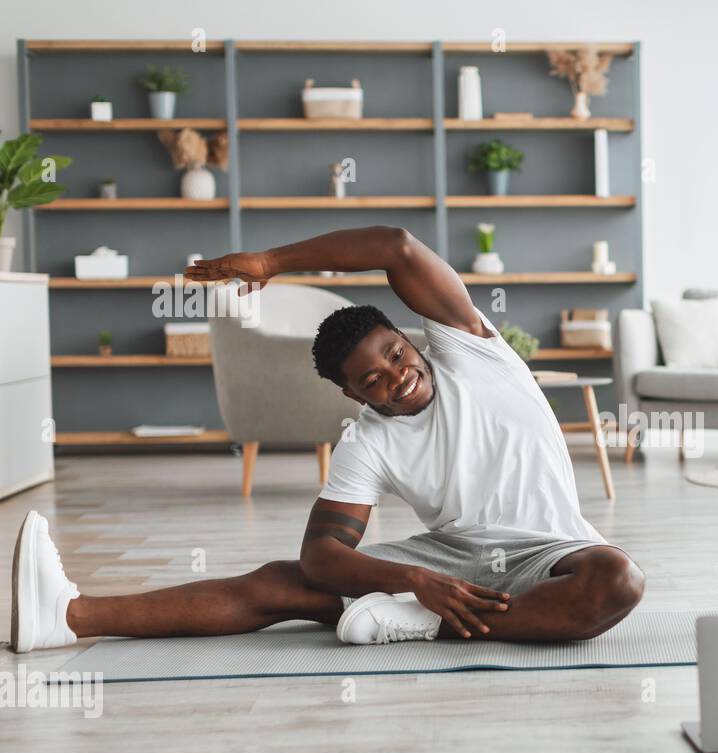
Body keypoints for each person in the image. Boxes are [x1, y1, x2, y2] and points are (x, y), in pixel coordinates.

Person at [10, 226, 644, 654]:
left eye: (397, 354)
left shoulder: (470, 350)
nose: (399, 376)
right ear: (355, 395)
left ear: (410, 336)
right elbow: (321, 555)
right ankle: (65, 617)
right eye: (374, 379)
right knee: (279, 582)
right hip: (451, 558)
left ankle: (428, 629)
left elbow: (395, 246)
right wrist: (413, 577)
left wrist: (270, 264)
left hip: (547, 551)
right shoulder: (365, 441)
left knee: (617, 580)